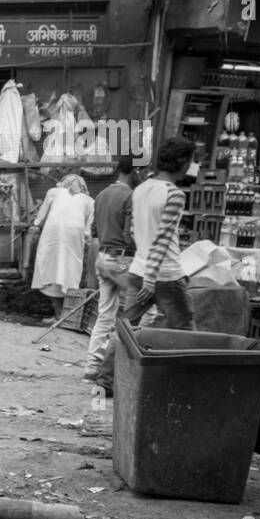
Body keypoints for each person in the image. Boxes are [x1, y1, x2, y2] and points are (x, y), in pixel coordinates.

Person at [93, 138, 198, 395]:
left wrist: (145, 273)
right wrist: (152, 279)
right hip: (164, 275)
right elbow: (162, 241)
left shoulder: (140, 189)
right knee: (185, 329)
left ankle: (105, 381)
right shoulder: (174, 194)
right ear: (182, 163)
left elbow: (131, 232)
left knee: (126, 327)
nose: (192, 166)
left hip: (138, 270)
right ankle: (185, 385)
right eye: (191, 160)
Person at [84, 156, 138, 381]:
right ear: (135, 171)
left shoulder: (102, 194)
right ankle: (122, 369)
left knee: (105, 314)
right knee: (143, 311)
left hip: (103, 257)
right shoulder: (129, 196)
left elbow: (94, 230)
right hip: (122, 259)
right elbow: (129, 234)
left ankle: (92, 368)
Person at [31, 173, 95, 321]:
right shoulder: (89, 201)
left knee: (50, 271)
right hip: (74, 237)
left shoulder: (53, 192)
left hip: (51, 236)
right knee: (70, 271)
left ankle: (58, 314)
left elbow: (39, 219)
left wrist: (37, 225)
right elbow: (88, 232)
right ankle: (66, 318)